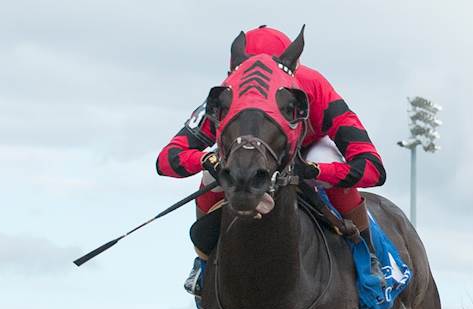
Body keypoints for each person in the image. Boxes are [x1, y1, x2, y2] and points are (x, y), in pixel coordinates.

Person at [156, 25, 387, 295]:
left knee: (325, 157)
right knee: (210, 174)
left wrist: (315, 170)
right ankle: (204, 262)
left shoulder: (316, 88)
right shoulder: (227, 96)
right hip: (247, 158)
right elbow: (166, 159)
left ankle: (367, 257)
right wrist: (206, 160)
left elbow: (372, 167)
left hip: (306, 153)